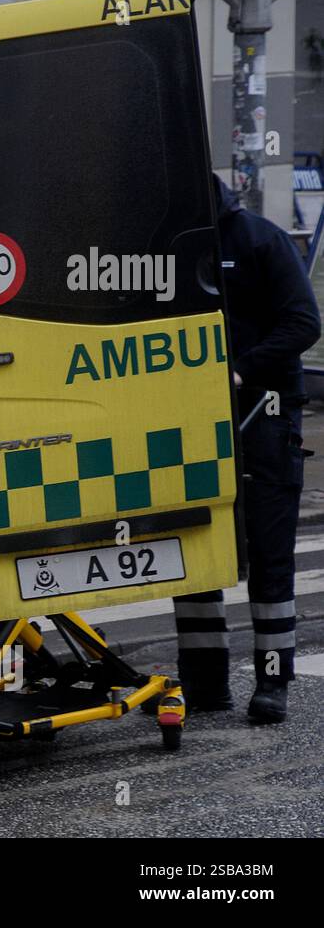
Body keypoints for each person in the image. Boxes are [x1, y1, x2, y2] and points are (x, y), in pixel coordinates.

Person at [173, 174, 321, 724]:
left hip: (266, 415)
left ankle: (273, 684)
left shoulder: (260, 239)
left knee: (270, 553)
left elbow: (304, 322)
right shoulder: (169, 250)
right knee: (195, 548)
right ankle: (206, 686)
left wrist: (241, 372)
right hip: (193, 418)